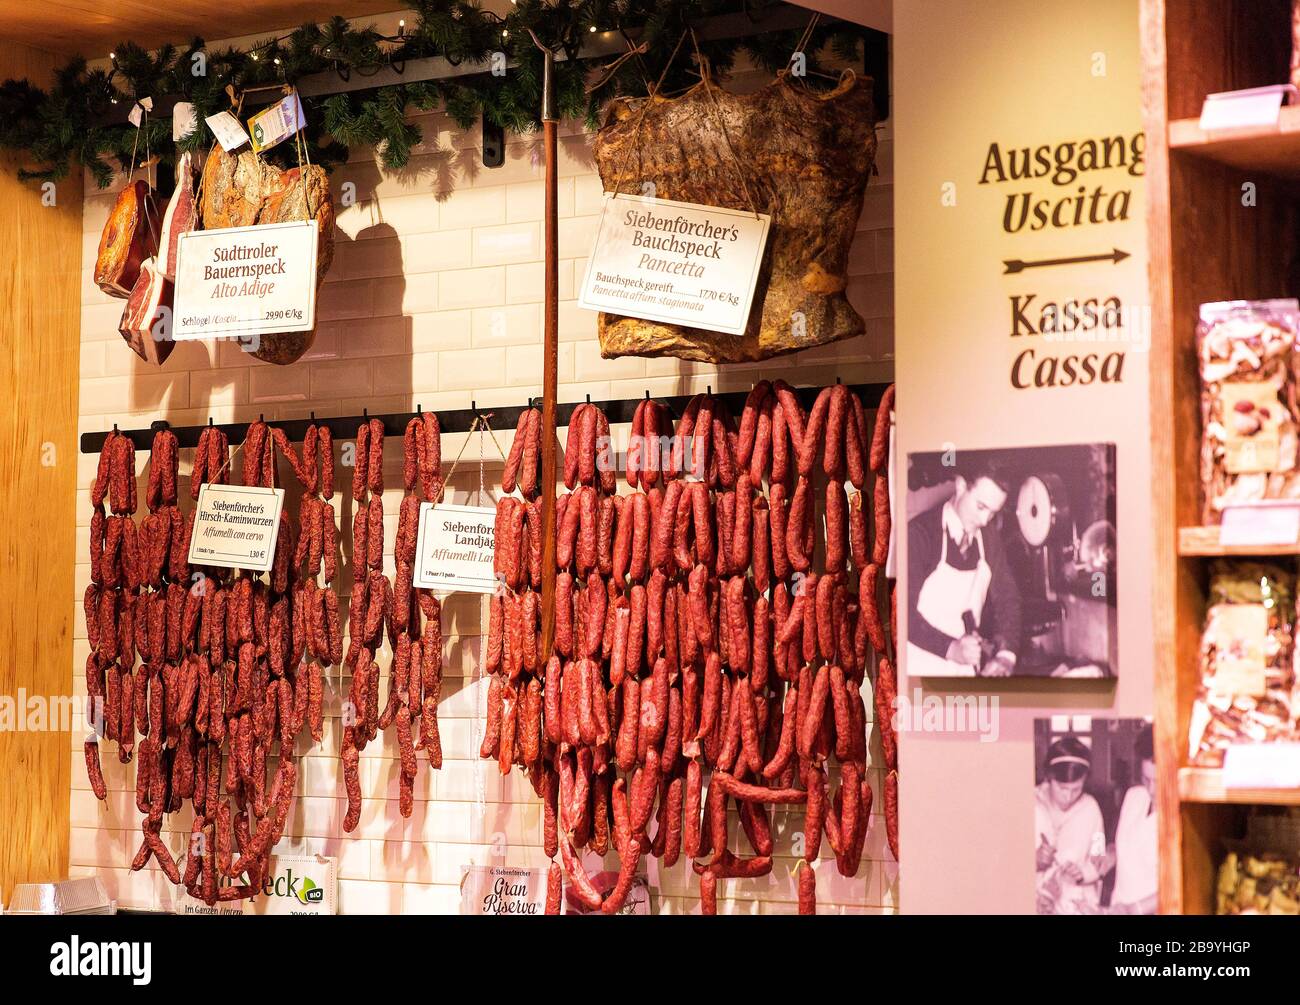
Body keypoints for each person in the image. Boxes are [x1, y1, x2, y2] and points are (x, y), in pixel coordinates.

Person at [906, 460, 1023, 677]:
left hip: (965, 671)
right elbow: (902, 614)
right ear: (960, 486)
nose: (984, 519)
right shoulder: (920, 534)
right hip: (919, 670)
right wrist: (951, 649)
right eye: (981, 507)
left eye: (993, 512)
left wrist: (1006, 656)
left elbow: (1008, 598)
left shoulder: (989, 538)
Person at [1089, 726, 1158, 915]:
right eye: (1146, 779)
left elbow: (1183, 882)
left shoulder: (1184, 814)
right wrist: (1111, 853)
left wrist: (1134, 909)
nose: (1151, 790)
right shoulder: (1134, 797)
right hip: (1117, 907)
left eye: (1159, 781)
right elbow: (1129, 842)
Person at [1034, 736, 1105, 915]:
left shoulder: (1091, 809)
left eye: (1076, 789)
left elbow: (1099, 858)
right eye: (1062, 788)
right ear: (1049, 777)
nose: (1068, 797)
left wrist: (1082, 873)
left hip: (1075, 907)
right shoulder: (1029, 804)